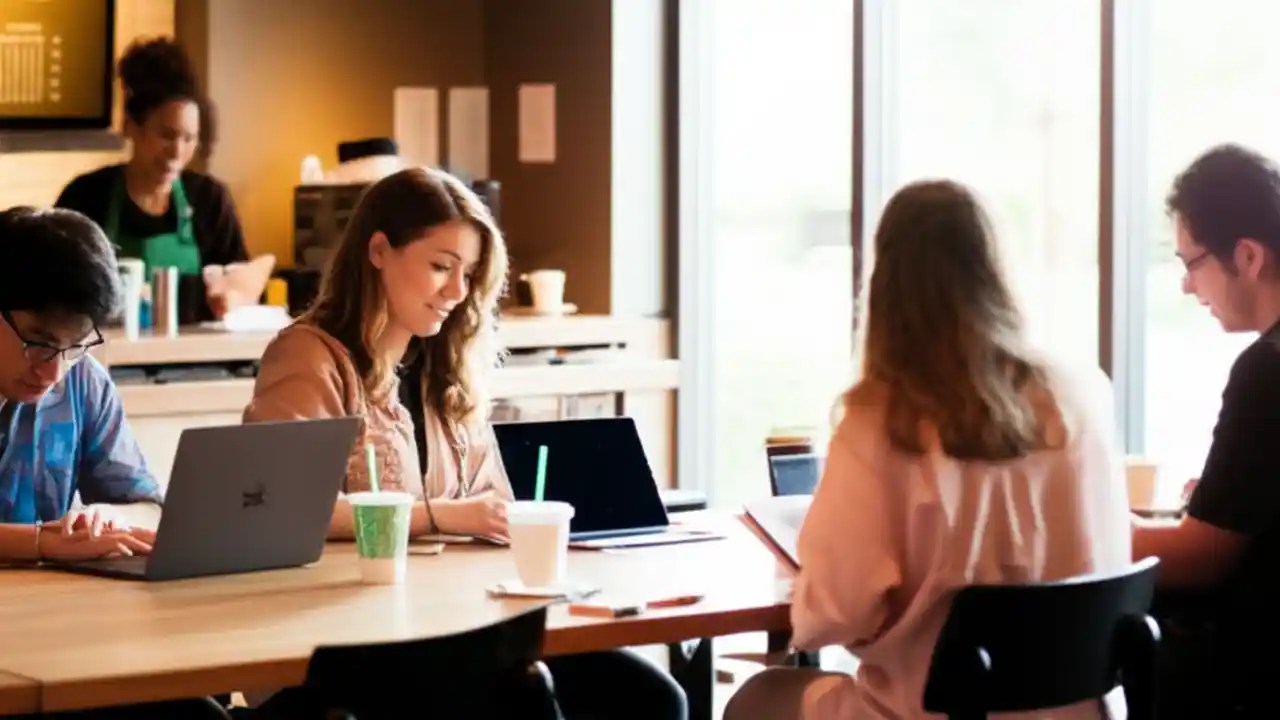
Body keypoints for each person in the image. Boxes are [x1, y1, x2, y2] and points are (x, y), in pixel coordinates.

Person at [242, 167, 686, 719]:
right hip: (350, 640)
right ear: (378, 250)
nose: (457, 291)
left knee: (653, 697)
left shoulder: (444, 368)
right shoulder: (310, 357)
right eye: (440, 267)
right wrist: (445, 515)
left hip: (459, 621)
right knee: (522, 695)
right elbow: (277, 513)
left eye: (468, 273)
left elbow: (486, 506)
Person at [725, 180, 1131, 719]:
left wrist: (809, 582)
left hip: (930, 713)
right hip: (1079, 712)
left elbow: (833, 616)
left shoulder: (881, 423)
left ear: (885, 283)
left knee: (756, 698)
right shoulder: (1081, 394)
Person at [1131, 143, 1280, 718]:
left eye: (1191, 264)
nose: (1188, 288)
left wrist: (1092, 521)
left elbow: (1199, 559)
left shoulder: (1269, 370)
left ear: (1246, 257)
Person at [0, 207, 161, 562]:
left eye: (74, 345)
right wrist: (39, 542)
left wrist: (110, 517)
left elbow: (149, 506)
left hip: (54, 603)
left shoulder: (84, 379)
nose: (54, 373)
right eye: (37, 343)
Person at [55, 36, 248, 321]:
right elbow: (51, 293)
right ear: (131, 126)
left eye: (189, 138)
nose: (177, 152)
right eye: (166, 135)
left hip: (198, 361)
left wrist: (232, 297)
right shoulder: (87, 197)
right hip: (102, 358)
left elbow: (239, 280)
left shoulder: (209, 200)